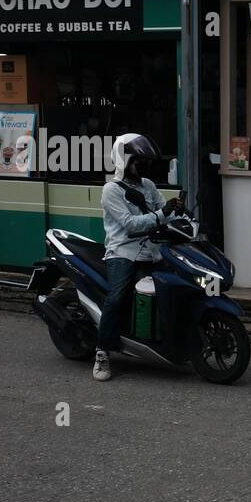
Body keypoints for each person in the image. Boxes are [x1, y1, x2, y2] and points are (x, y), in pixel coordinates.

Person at [93, 133, 181, 382]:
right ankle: (102, 352)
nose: (144, 167)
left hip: (153, 250)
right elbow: (131, 225)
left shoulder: (148, 186)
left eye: (147, 162)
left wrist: (181, 216)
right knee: (117, 296)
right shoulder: (111, 190)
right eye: (139, 161)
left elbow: (164, 213)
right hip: (123, 251)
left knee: (174, 287)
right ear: (124, 160)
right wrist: (163, 214)